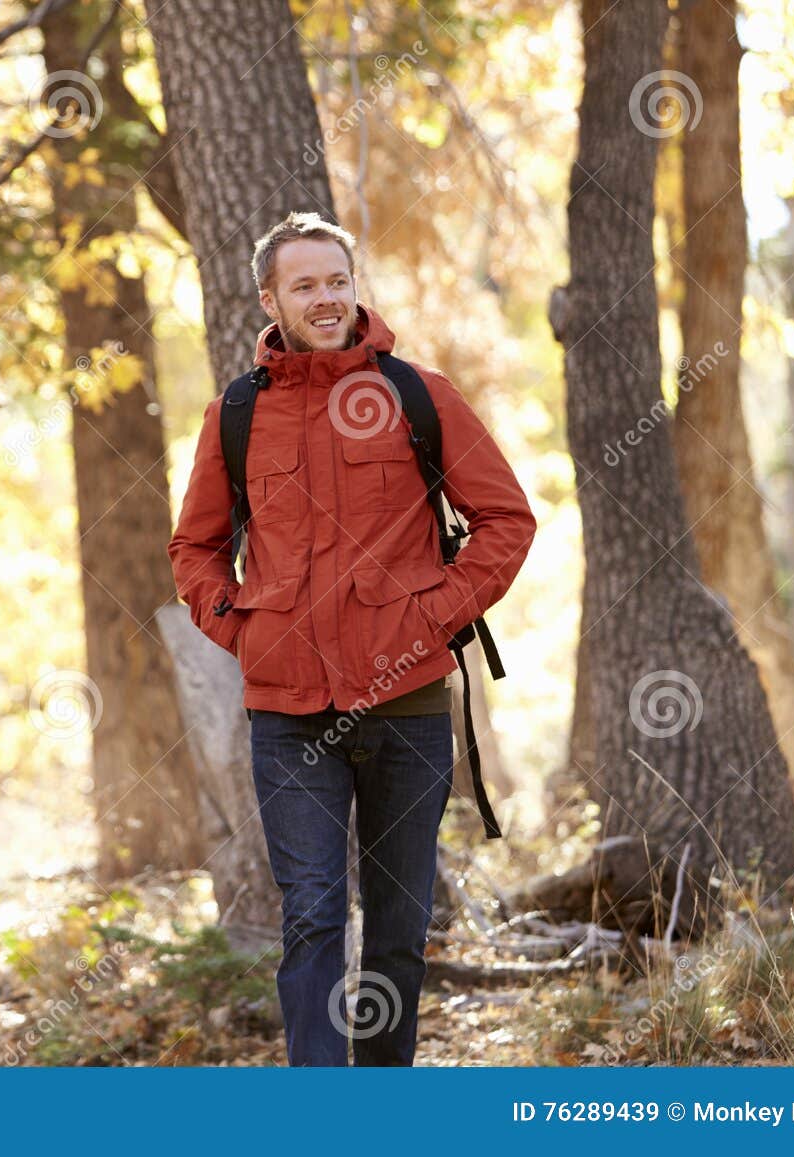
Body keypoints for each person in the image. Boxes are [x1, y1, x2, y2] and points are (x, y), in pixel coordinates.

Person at [167, 211, 536, 1066]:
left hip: (407, 709)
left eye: (337, 281)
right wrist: (243, 630)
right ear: (271, 298)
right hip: (289, 714)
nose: (326, 298)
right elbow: (194, 548)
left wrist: (432, 617)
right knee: (313, 918)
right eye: (305, 285)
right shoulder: (236, 415)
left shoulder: (418, 394)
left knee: (401, 928)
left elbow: (507, 519)